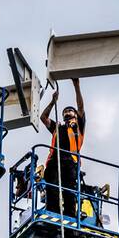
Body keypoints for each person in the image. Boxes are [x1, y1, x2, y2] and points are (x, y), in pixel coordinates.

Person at [38, 78, 86, 217]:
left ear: (75, 115)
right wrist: (53, 102)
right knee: (51, 187)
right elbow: (43, 117)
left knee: (69, 189)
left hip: (70, 161)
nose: (67, 112)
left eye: (71, 111)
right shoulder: (57, 127)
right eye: (65, 111)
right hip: (54, 160)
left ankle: (70, 215)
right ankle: (53, 213)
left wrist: (76, 85)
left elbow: (81, 107)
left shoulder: (78, 126)